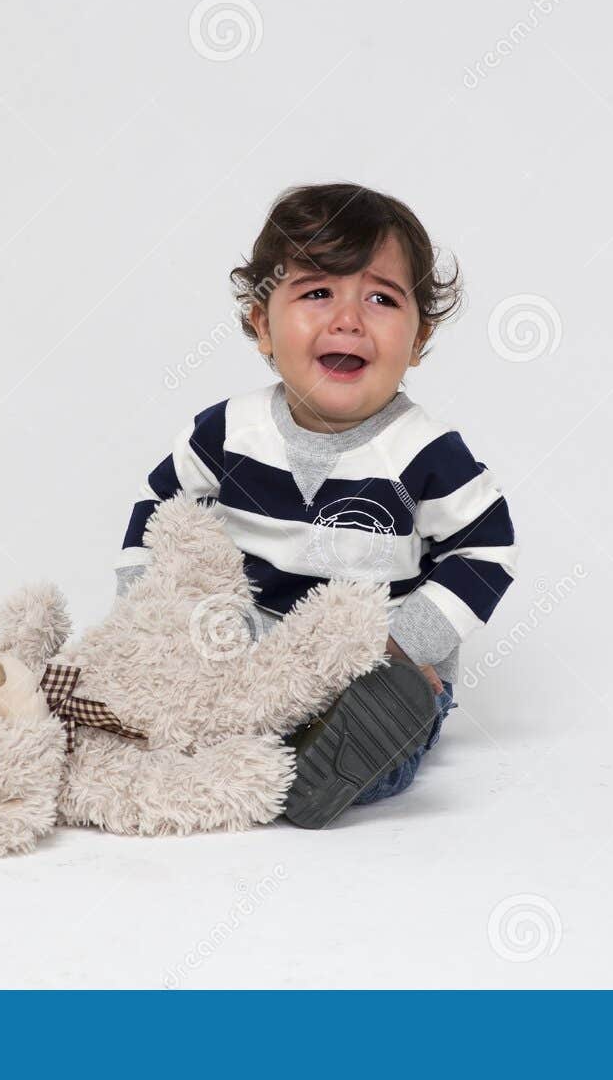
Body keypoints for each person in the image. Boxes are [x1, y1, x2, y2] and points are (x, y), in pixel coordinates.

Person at [114, 183, 520, 828]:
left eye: (382, 299)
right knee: (147, 687)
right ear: (261, 325)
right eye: (317, 292)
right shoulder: (226, 432)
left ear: (419, 339)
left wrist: (402, 645)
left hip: (363, 669)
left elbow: (485, 552)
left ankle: (330, 764)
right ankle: (17, 705)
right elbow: (159, 511)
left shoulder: (426, 453)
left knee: (373, 715)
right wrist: (147, 614)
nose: (348, 320)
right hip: (239, 655)